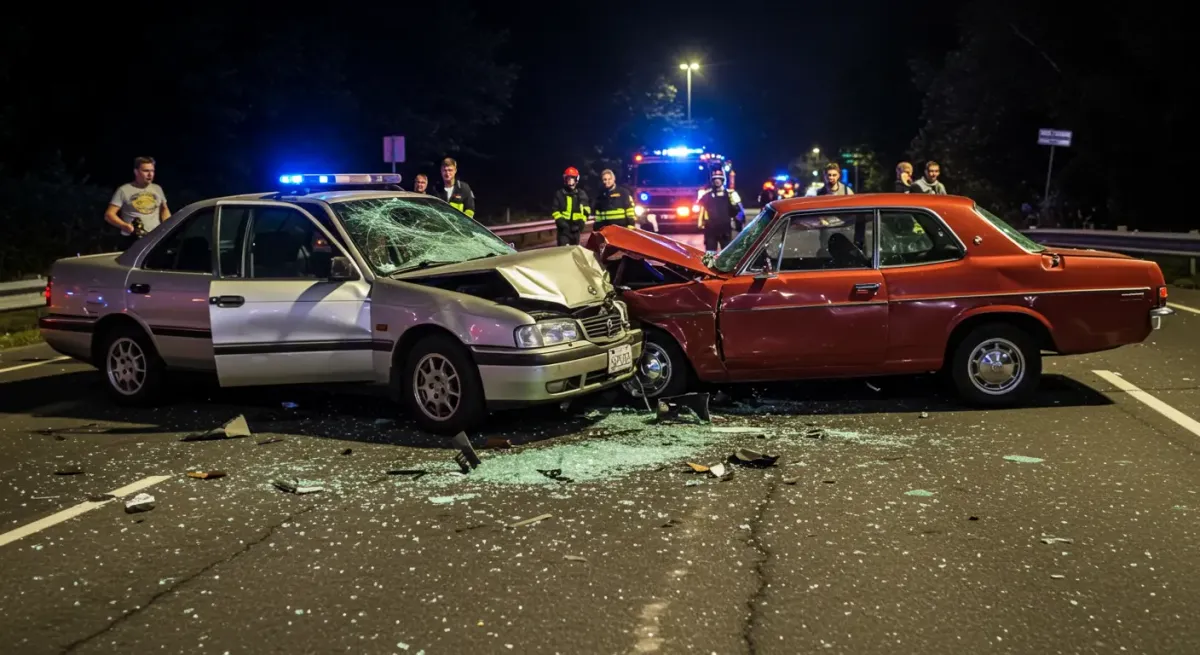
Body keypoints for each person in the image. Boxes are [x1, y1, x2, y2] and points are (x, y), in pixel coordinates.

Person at [105, 156, 170, 249]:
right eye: (146, 171)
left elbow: (164, 209)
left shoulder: (157, 189)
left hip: (155, 238)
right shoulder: (124, 190)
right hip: (132, 239)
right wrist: (125, 226)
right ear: (136, 172)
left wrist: (168, 226)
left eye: (152, 171)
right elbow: (109, 215)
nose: (150, 174)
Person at [696, 167, 743, 252]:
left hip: (725, 229)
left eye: (719, 179)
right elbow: (701, 210)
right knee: (710, 254)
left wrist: (739, 224)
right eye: (715, 179)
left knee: (726, 255)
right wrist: (700, 223)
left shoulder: (731, 194)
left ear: (723, 180)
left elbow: (739, 211)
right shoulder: (706, 195)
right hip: (710, 229)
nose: (717, 181)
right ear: (712, 181)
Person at [551, 167, 591, 246]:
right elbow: (555, 211)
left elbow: (586, 210)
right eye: (568, 179)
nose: (570, 182)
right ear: (565, 180)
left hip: (576, 230)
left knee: (574, 252)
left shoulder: (581, 194)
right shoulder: (559, 194)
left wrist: (581, 223)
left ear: (577, 180)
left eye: (572, 179)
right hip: (563, 231)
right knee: (564, 253)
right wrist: (562, 224)